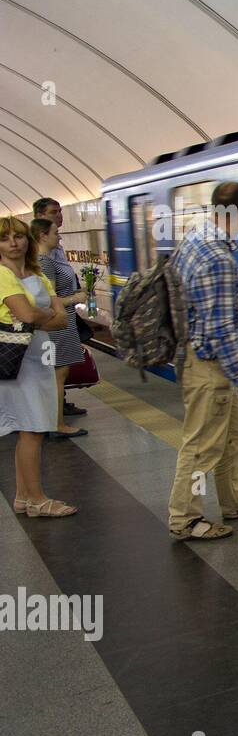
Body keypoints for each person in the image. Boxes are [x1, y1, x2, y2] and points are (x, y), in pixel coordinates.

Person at [166, 181, 238, 540]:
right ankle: (186, 517)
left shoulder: (193, 240)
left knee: (231, 437)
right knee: (202, 447)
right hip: (209, 365)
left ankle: (234, 500)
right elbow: (219, 329)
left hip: (199, 359)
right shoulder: (218, 258)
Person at [0, 216, 78, 517]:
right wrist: (41, 314)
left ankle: (23, 496)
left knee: (30, 427)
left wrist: (36, 315)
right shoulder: (2, 274)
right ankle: (37, 499)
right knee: (32, 429)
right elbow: (29, 314)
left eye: (18, 237)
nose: (13, 243)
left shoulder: (36, 273)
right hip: (16, 359)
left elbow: (61, 319)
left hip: (39, 355)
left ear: (28, 240)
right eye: (4, 238)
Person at [31, 209, 88, 439]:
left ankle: (52, 422)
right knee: (58, 373)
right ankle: (57, 424)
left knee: (56, 374)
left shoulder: (45, 260)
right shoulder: (44, 262)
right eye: (55, 233)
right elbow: (48, 300)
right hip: (56, 326)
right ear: (43, 236)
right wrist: (76, 298)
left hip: (61, 323)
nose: (60, 236)